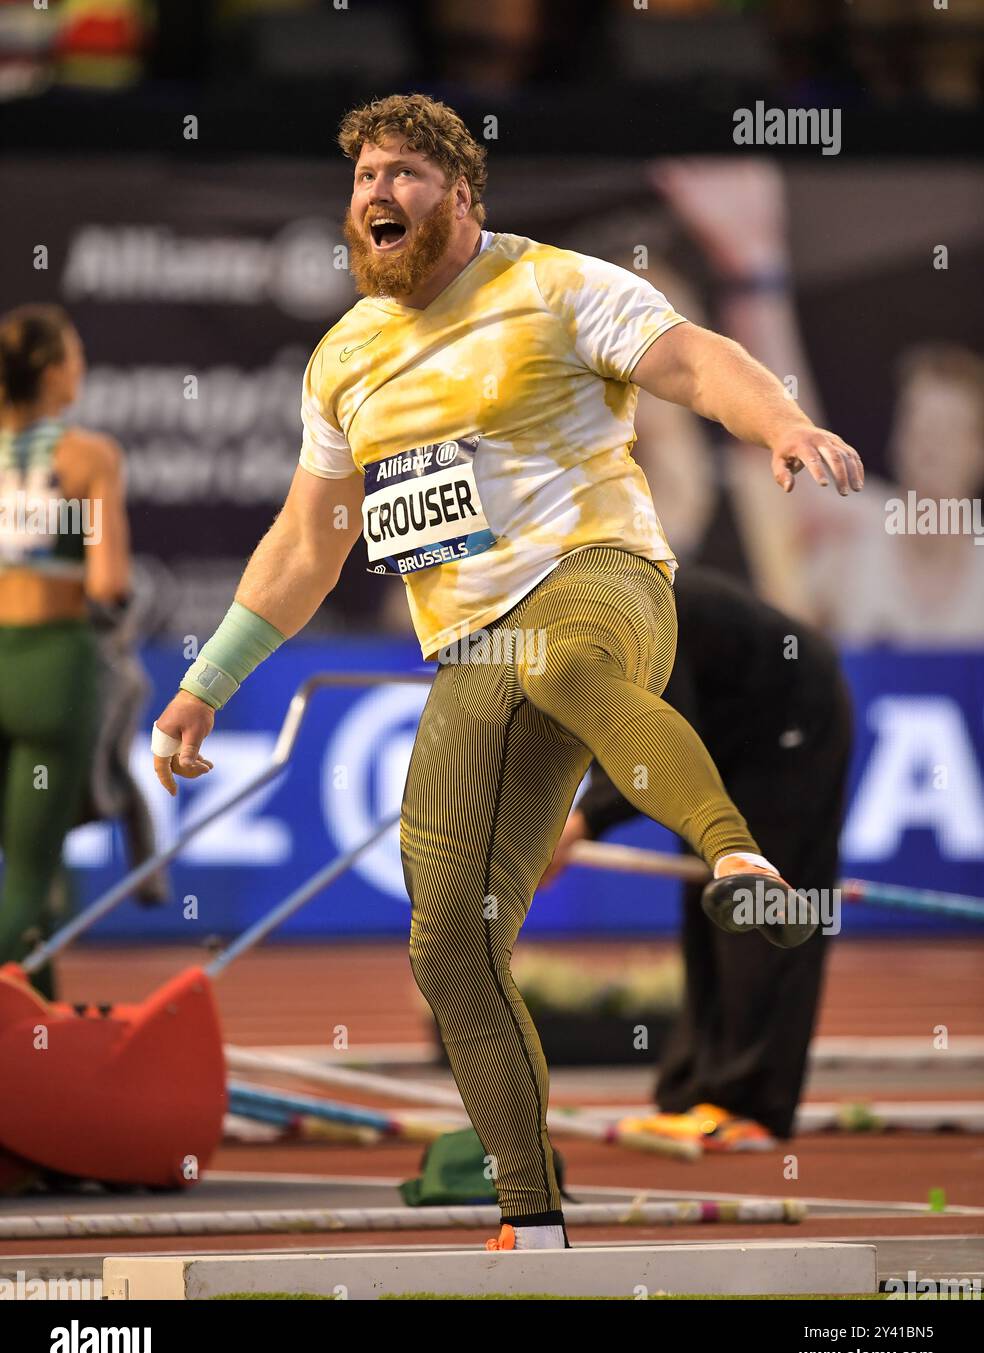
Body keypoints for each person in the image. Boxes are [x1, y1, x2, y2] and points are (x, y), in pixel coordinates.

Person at [150, 94, 864, 1253]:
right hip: (473, 647)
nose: (377, 193)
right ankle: (532, 1226)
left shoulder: (557, 285)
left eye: (405, 176)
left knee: (556, 661)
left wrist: (776, 422)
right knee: (448, 943)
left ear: (463, 198)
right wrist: (206, 685)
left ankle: (737, 857)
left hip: (605, 580)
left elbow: (692, 359)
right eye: (364, 178)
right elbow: (306, 540)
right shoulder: (345, 359)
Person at [542, 566, 853, 1150]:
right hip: (721, 730)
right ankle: (693, 1093)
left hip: (789, 721)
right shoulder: (554, 624)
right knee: (712, 903)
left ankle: (748, 1102)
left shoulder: (631, 613)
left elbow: (651, 741)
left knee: (759, 901)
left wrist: (576, 826)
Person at [0, 303, 130, 999]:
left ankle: (35, 1024)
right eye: (74, 357)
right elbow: (110, 582)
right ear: (52, 373)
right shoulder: (89, 457)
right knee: (30, 871)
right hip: (51, 668)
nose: (81, 369)